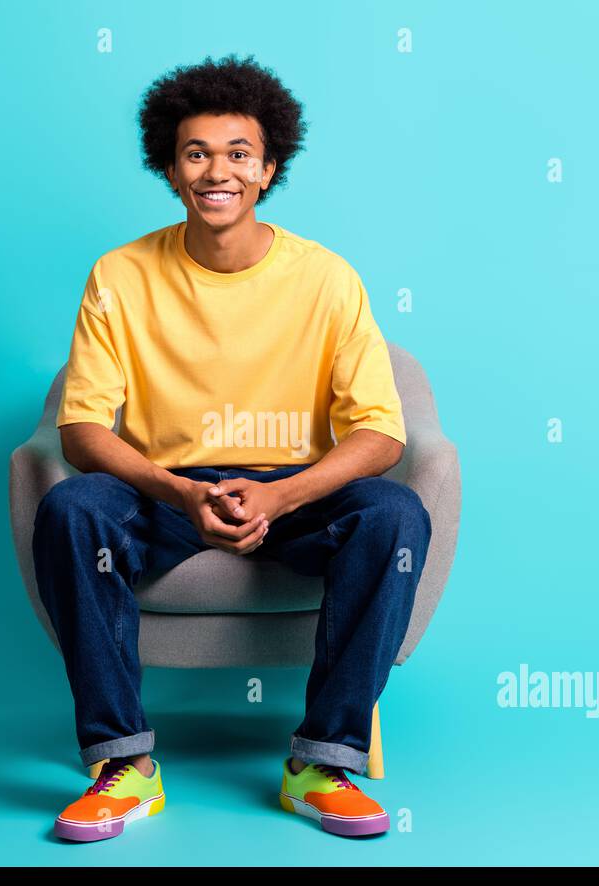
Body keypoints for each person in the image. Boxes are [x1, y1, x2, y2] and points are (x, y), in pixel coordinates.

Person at [34, 54, 432, 841]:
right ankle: (125, 767)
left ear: (268, 168)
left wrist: (282, 494)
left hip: (295, 491)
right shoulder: (119, 275)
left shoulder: (326, 278)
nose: (218, 171)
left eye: (238, 153)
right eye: (196, 153)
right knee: (72, 508)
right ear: (170, 169)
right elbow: (81, 432)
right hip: (165, 488)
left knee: (395, 515)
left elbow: (381, 433)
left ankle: (323, 762)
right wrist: (180, 493)